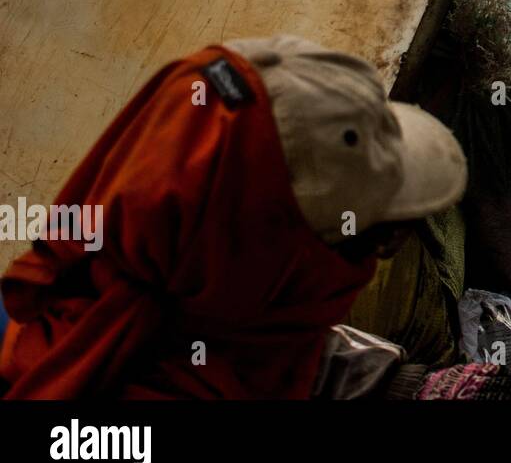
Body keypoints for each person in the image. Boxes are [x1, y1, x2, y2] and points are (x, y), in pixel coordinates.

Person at [0, 35, 467, 399]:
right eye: (375, 242)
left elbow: (244, 345)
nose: (369, 268)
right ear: (281, 270)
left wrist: (388, 383)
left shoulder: (78, 304)